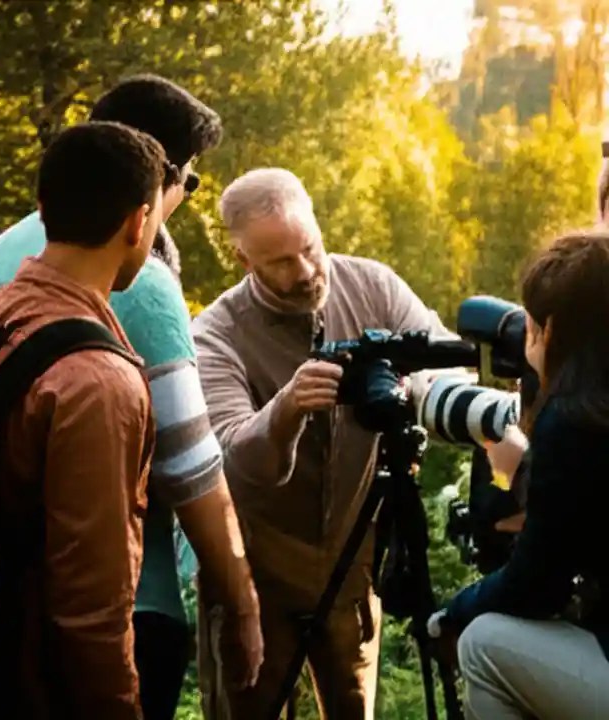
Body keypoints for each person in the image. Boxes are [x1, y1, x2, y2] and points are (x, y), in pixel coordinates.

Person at [0, 74, 262, 719]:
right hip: (112, 624)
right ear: (146, 204)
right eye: (187, 182)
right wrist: (241, 601)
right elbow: (191, 471)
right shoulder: (136, 306)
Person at [192, 167, 451, 719]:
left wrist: (418, 390)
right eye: (281, 262)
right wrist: (287, 408)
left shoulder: (372, 286)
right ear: (244, 260)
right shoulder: (216, 334)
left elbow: (445, 361)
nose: (306, 271)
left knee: (354, 710)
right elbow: (233, 462)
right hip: (254, 571)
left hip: (352, 558)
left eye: (310, 247)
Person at [0, 120, 169, 718]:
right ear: (138, 222)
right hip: (40, 685)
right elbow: (92, 610)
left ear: (43, 207)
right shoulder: (98, 383)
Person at [425, 229, 609, 719]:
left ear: (549, 330)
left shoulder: (573, 421)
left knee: (481, 642)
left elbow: (536, 585)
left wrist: (452, 614)